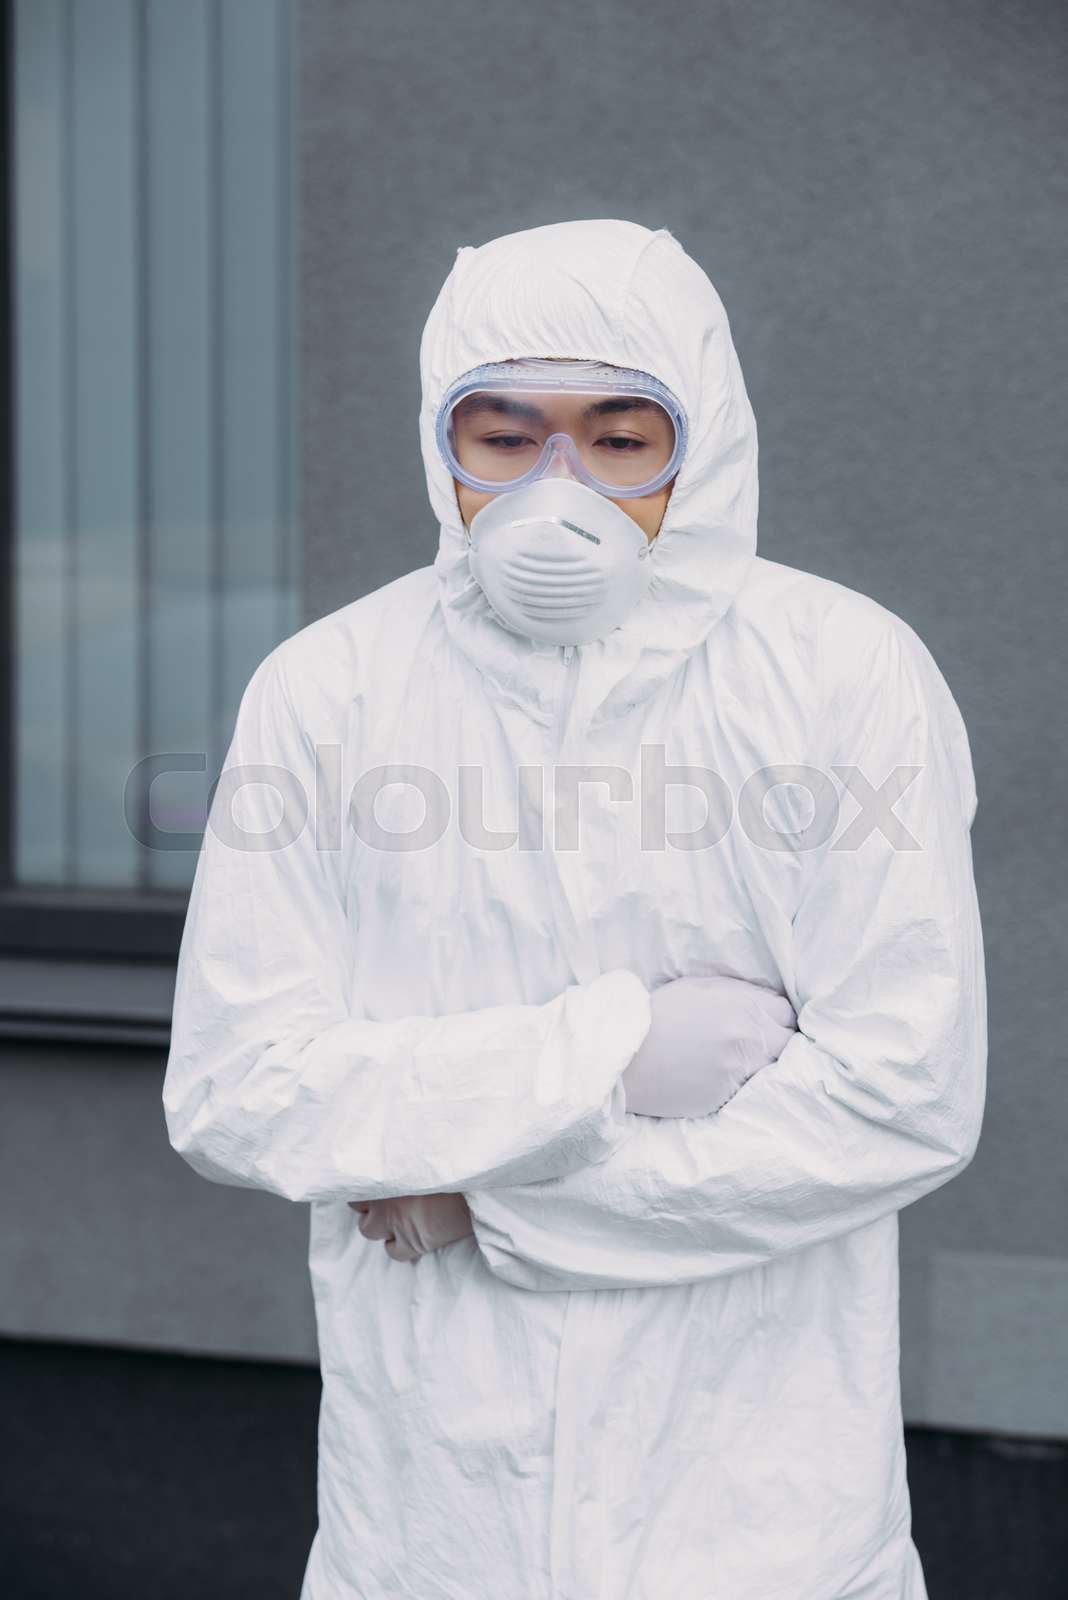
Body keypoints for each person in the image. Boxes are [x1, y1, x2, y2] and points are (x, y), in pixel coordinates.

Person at [162, 219, 987, 1600]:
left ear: (701, 443)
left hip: (764, 1529)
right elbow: (238, 1088)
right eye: (505, 436)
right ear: (445, 448)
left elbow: (902, 1097)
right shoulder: (330, 690)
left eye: (619, 440)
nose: (562, 491)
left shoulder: (845, 677)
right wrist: (604, 1053)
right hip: (429, 1522)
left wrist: (483, 1196)